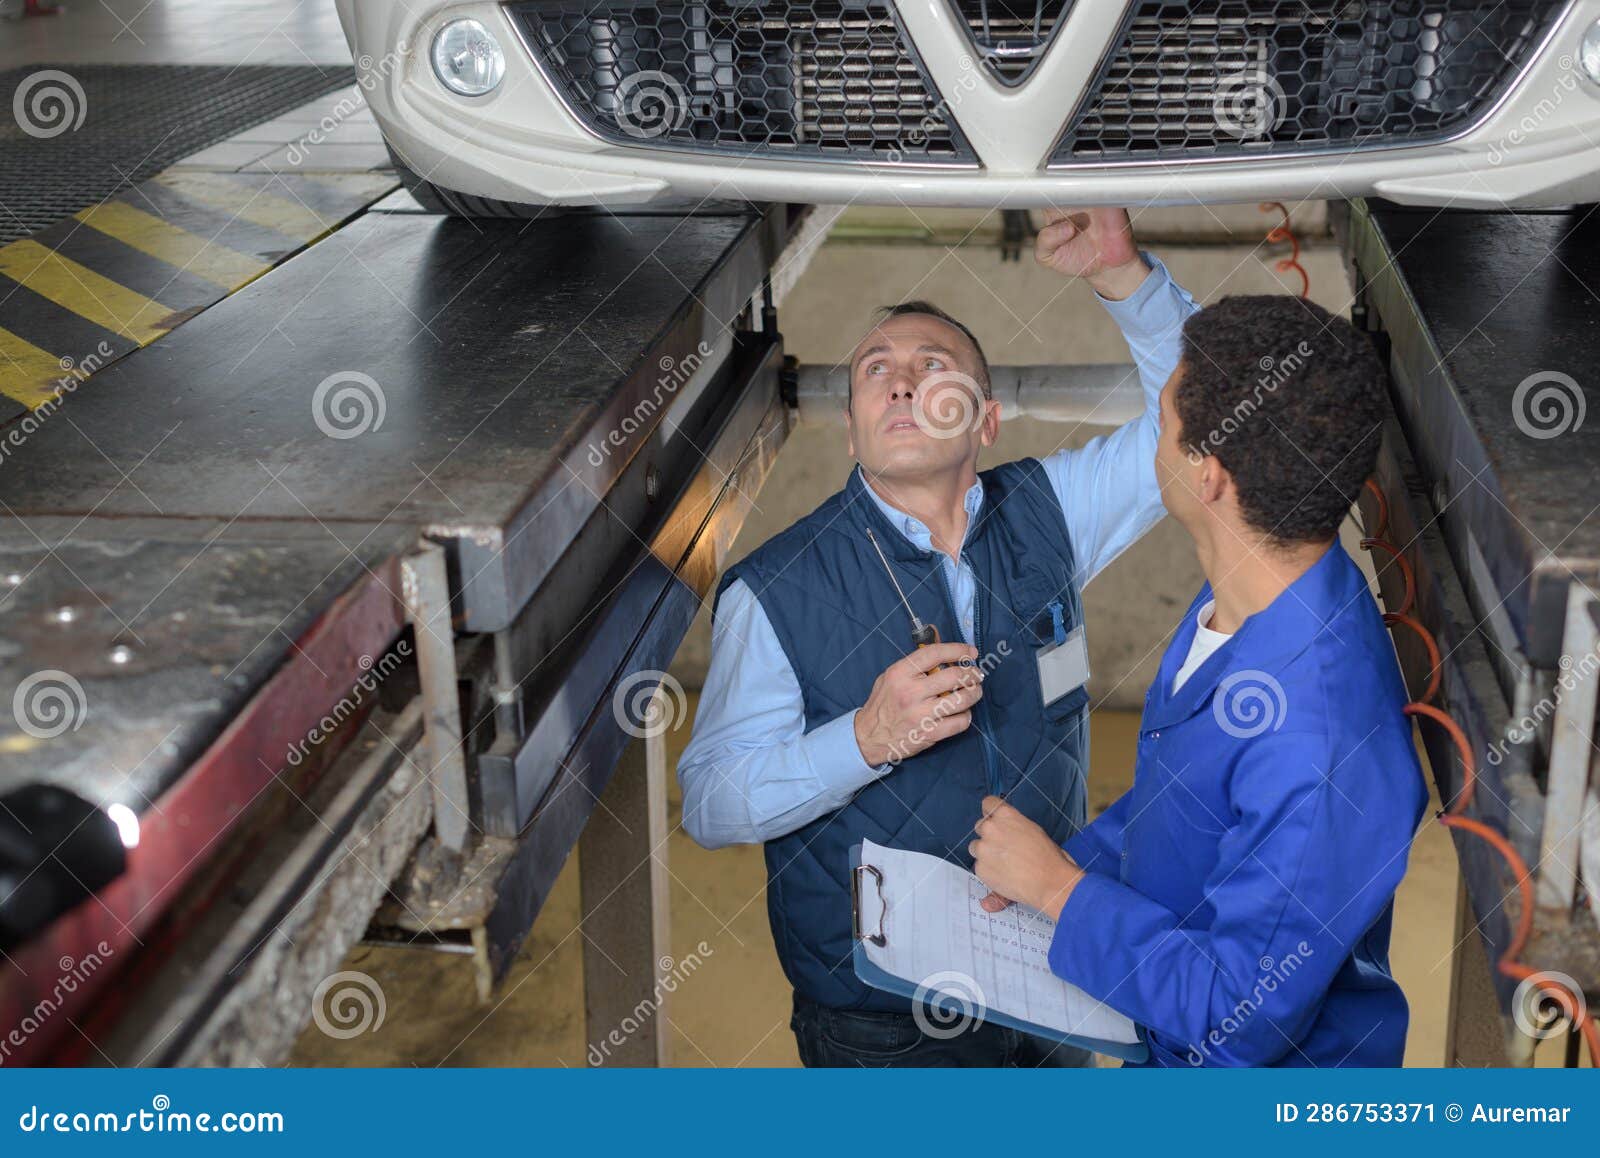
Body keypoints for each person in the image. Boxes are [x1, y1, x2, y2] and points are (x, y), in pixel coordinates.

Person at [676, 208, 1199, 1066]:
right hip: (883, 1027)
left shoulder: (1052, 514)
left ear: (986, 419)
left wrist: (1125, 276)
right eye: (874, 370)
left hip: (1049, 982)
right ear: (850, 429)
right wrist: (864, 739)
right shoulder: (776, 589)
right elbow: (710, 805)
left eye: (933, 366)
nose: (900, 381)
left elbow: (1196, 418)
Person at [969, 295, 1428, 1067]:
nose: (1157, 440)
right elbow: (1183, 806)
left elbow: (1237, 1016)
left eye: (1165, 422)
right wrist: (1071, 865)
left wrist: (1060, 894)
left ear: (1207, 476)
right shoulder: (1250, 599)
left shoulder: (1315, 743)